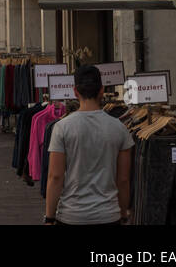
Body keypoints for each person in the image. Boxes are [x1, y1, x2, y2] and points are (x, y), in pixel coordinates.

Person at [45, 65, 134, 227]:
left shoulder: (62, 127)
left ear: (75, 92)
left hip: (71, 215)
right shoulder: (119, 128)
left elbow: (55, 177)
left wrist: (49, 217)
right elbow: (123, 179)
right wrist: (123, 213)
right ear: (102, 90)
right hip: (108, 215)